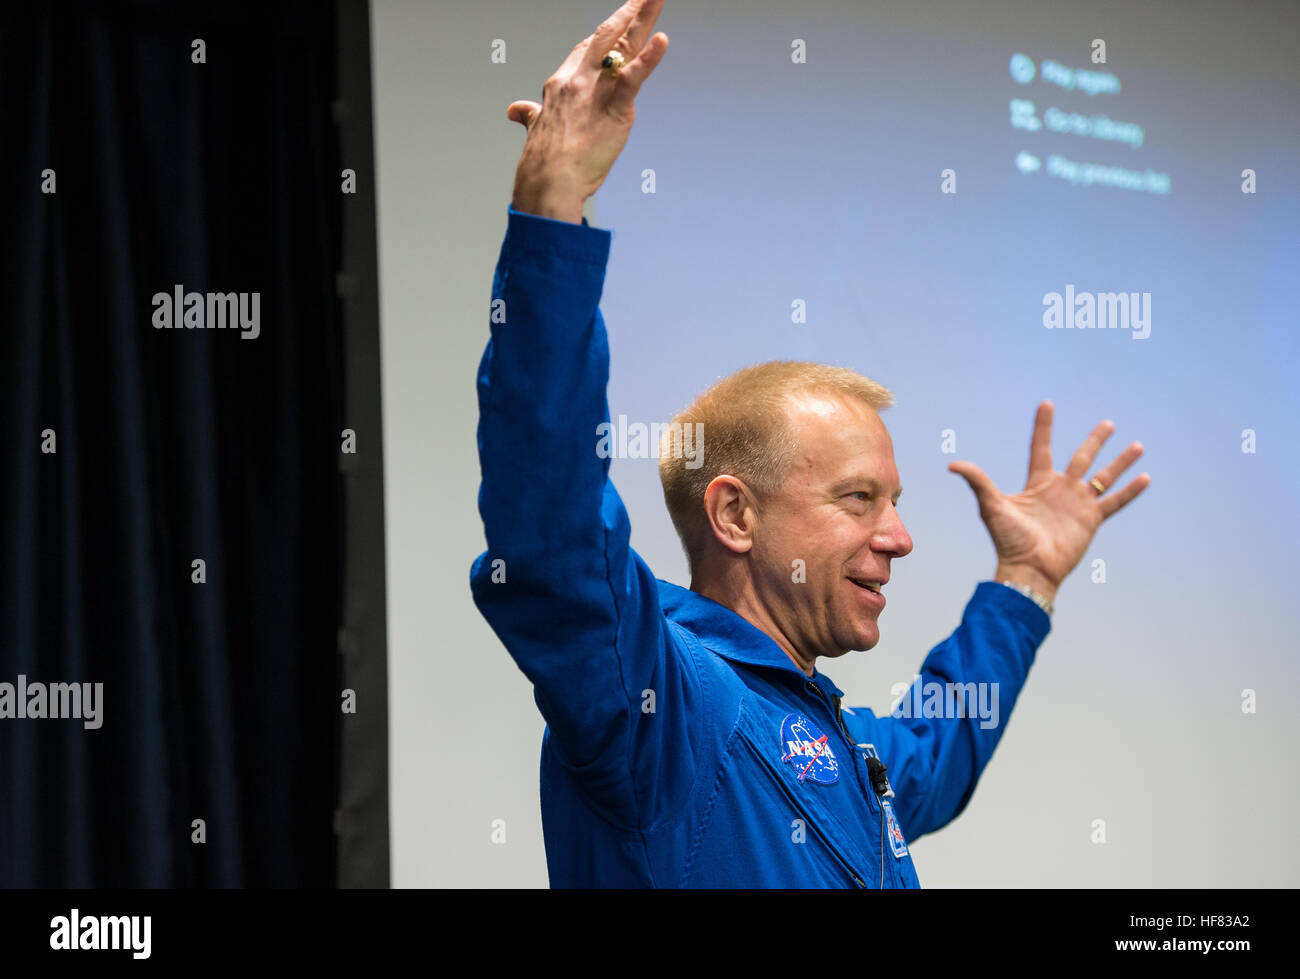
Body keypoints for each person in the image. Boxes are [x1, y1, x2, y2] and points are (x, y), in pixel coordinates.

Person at [469, 0, 1150, 888]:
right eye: (859, 498)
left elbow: (939, 746)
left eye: (894, 503)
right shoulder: (664, 705)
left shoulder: (839, 744)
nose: (900, 537)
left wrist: (1027, 580)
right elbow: (554, 529)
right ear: (734, 514)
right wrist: (552, 209)